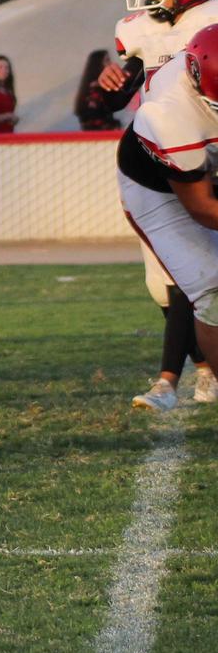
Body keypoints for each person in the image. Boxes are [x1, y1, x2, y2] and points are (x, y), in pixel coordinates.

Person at [91, 0, 218, 410]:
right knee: (165, 281)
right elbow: (117, 97)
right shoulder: (139, 30)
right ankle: (204, 368)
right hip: (167, 153)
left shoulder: (213, 18)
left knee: (201, 278)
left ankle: (171, 378)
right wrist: (107, 86)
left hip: (205, 145)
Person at [115, 25, 218, 417]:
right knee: (211, 289)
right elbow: (203, 208)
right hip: (157, 189)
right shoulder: (173, 116)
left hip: (207, 161)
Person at [74, 49, 123, 131]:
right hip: (101, 135)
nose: (110, 64)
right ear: (98, 64)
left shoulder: (90, 87)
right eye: (107, 60)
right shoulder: (96, 88)